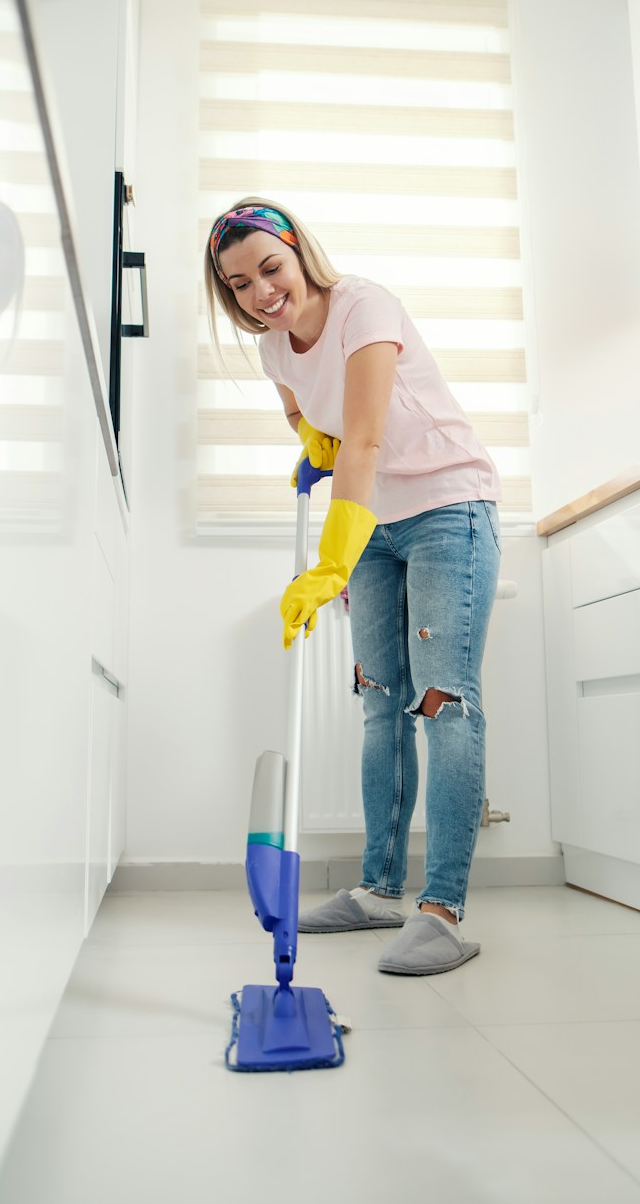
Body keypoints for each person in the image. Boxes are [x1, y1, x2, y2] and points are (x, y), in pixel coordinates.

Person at [204, 197, 502, 976]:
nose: (263, 293)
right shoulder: (274, 349)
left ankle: (442, 911)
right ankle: (377, 892)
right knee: (378, 705)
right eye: (239, 285)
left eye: (271, 268)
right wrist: (311, 446)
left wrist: (331, 561)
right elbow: (320, 426)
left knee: (443, 701)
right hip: (372, 524)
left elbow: (364, 437)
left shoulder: (365, 306)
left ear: (299, 251)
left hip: (445, 508)